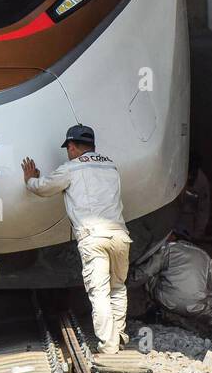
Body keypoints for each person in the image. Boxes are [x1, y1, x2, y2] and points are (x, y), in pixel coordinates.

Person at [23, 124, 132, 355]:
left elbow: (44, 189)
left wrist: (31, 180)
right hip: (120, 235)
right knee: (118, 287)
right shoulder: (111, 165)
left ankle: (108, 345)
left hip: (93, 237)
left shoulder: (71, 168)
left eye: (68, 148)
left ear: (72, 147)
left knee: (99, 291)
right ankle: (120, 334)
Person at [133, 231, 212, 341]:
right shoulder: (205, 257)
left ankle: (156, 314)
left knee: (153, 275)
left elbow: (144, 273)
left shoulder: (168, 249)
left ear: (174, 238)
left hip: (166, 300)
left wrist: (126, 283)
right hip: (195, 305)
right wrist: (205, 303)